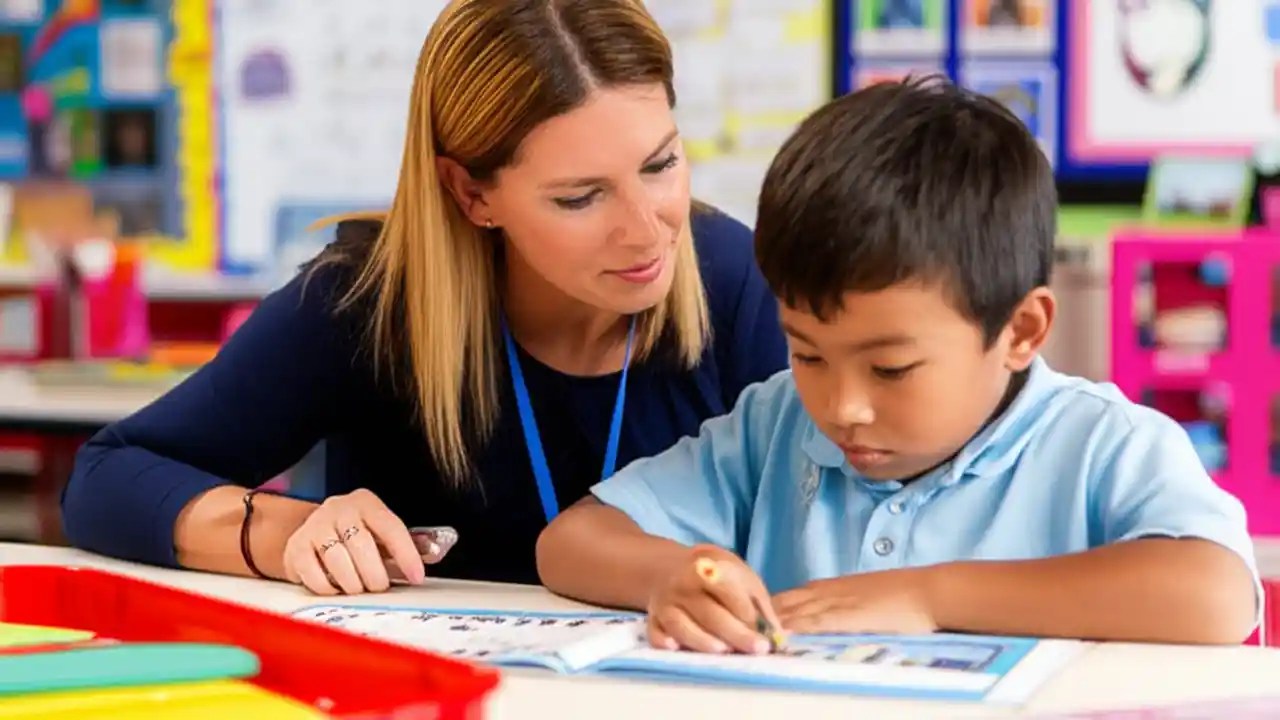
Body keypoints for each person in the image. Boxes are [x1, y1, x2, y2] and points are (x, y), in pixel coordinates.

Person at [60, 0, 787, 595]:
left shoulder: (735, 278)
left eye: (661, 163)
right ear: (471, 194)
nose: (645, 230)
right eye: (580, 197)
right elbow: (105, 478)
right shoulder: (366, 300)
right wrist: (291, 533)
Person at [536, 77, 1261, 652]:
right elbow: (571, 542)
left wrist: (930, 596)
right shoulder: (775, 427)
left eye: (890, 370)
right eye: (808, 352)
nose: (842, 405)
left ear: (1022, 330)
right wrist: (674, 576)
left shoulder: (1101, 444)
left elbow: (1216, 594)